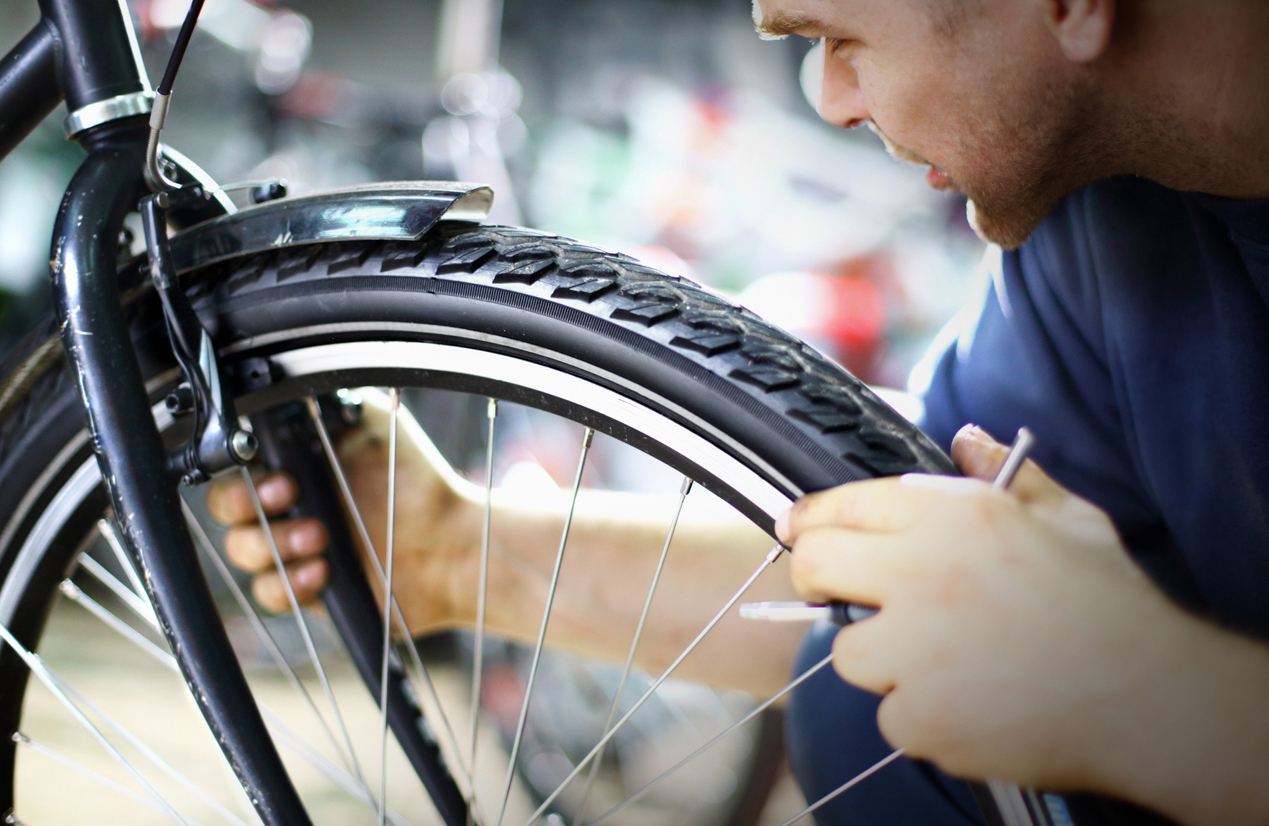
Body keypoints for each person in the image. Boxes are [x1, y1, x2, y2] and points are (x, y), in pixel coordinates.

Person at [208, 1, 1269, 824]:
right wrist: (460, 551)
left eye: (840, 34)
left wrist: (1147, 695)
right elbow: (887, 570)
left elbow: (1084, 659)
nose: (828, 94)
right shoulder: (1115, 235)